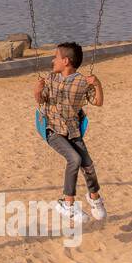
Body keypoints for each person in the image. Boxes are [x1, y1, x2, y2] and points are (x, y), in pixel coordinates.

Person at [32, 42, 106, 221]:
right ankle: (67, 204)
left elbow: (97, 102)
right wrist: (37, 91)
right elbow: (41, 100)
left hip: (73, 131)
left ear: (65, 61)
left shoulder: (82, 82)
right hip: (52, 129)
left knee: (87, 164)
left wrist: (97, 85)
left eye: (55, 57)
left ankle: (95, 198)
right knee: (75, 159)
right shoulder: (50, 79)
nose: (52, 60)